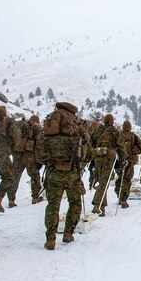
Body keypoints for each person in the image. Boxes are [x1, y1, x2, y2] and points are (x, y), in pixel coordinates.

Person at [36, 102, 88, 250]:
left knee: (53, 206)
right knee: (75, 203)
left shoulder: (48, 129)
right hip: (72, 173)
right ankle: (68, 233)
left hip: (53, 173)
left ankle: (50, 239)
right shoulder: (77, 125)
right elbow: (85, 153)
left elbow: (40, 156)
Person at [89, 113, 122, 216]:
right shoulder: (115, 132)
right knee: (105, 181)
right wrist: (123, 159)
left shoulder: (97, 131)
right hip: (108, 159)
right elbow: (120, 146)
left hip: (98, 158)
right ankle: (97, 204)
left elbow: (91, 144)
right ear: (112, 121)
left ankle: (102, 207)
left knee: (102, 181)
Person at [9, 114, 43, 205]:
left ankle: (11, 199)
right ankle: (35, 197)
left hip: (17, 154)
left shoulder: (21, 126)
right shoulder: (36, 128)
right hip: (29, 155)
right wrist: (39, 159)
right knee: (34, 176)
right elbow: (39, 143)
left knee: (15, 176)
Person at [114, 120, 141, 208]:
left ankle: (118, 194)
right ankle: (123, 199)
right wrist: (136, 150)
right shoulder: (134, 136)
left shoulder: (118, 135)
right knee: (127, 180)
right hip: (130, 160)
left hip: (119, 160)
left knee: (120, 178)